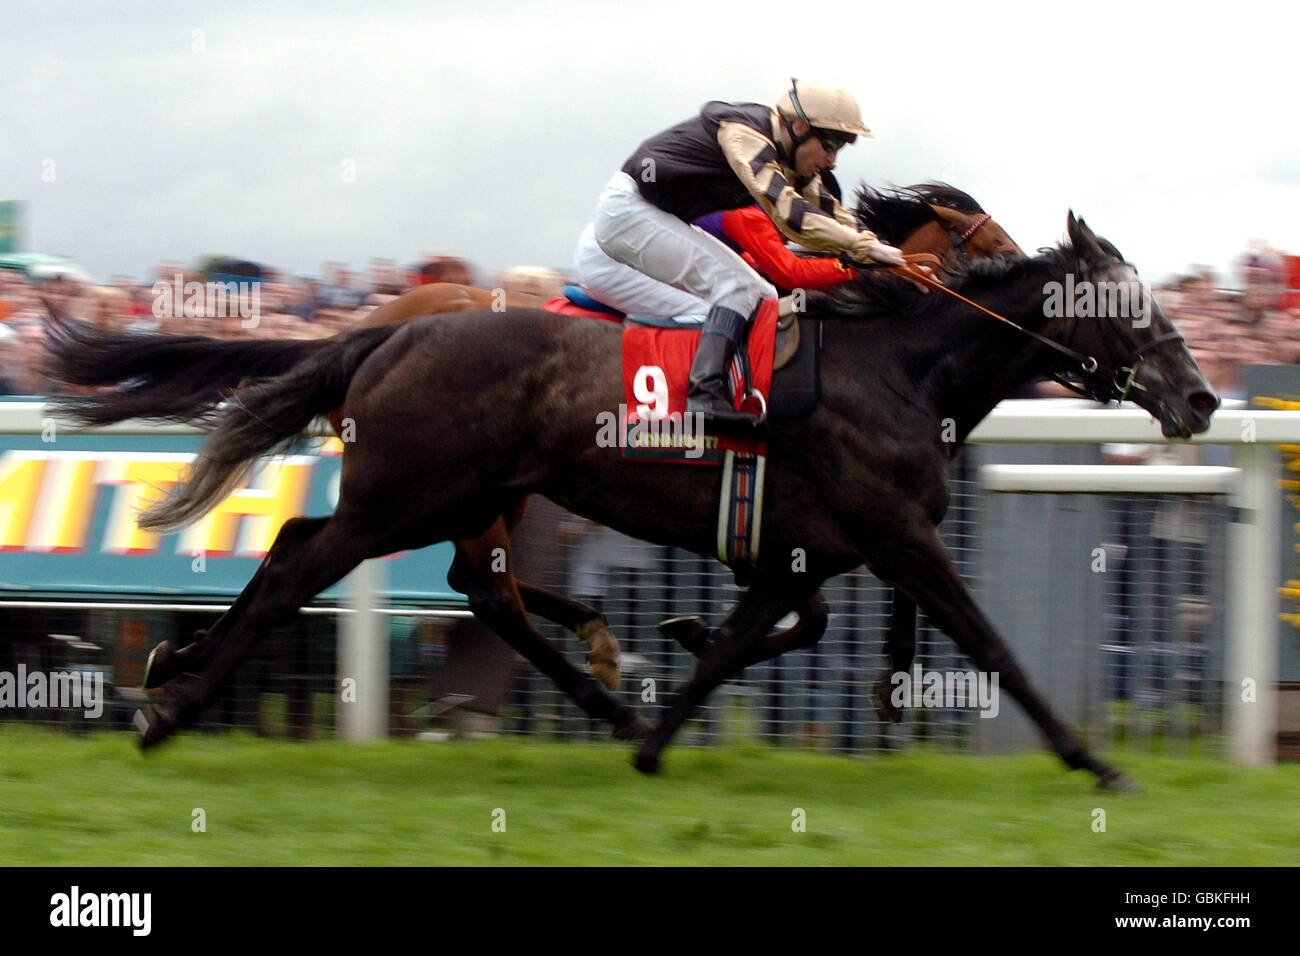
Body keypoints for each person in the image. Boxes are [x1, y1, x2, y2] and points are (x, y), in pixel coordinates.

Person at [589, 79, 909, 435]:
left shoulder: (791, 155)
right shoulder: (746, 136)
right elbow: (790, 216)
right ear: (799, 127)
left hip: (654, 215)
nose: (832, 160)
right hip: (629, 213)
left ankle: (730, 388)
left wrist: (876, 247)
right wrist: (859, 250)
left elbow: (830, 212)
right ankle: (700, 398)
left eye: (841, 148)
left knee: (764, 296)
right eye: (830, 144)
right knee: (735, 286)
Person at [575, 170, 861, 323]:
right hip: (611, 258)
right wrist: (857, 270)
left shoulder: (752, 203)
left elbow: (754, 265)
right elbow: (792, 272)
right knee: (722, 310)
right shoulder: (751, 215)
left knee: (762, 295)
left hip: (622, 244)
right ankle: (686, 402)